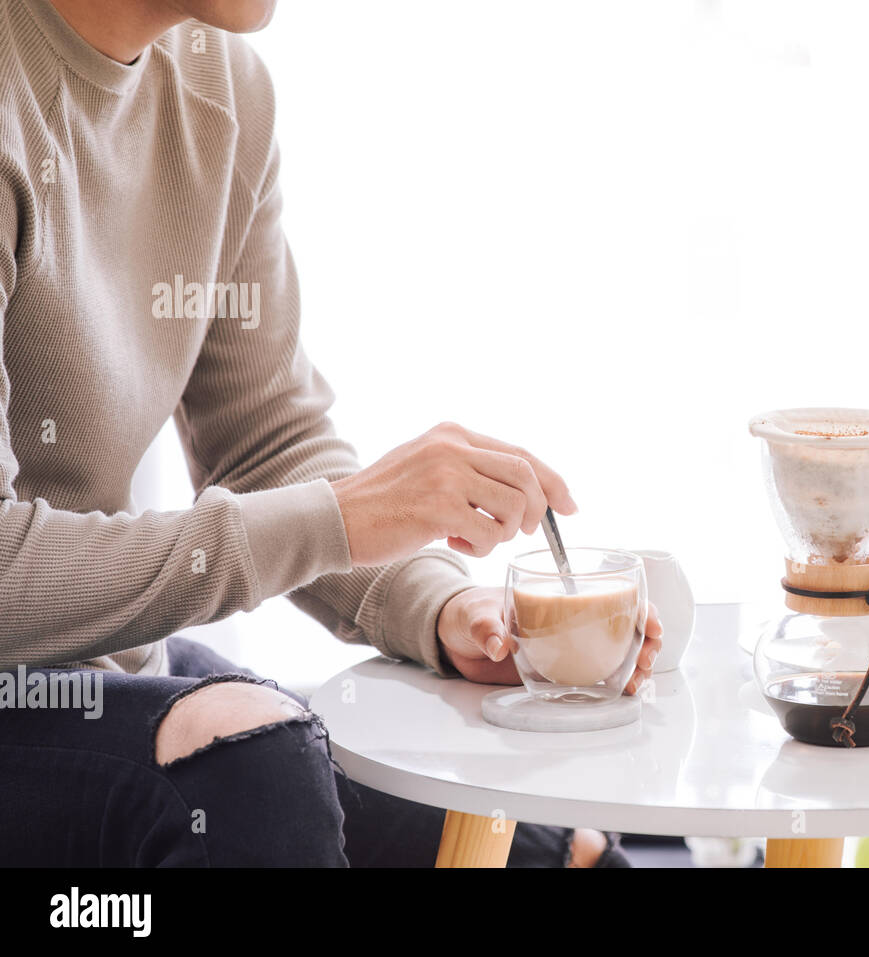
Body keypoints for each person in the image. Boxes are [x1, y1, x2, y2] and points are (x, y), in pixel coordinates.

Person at [0, 0, 662, 866]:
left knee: (557, 855)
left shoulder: (219, 90)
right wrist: (342, 515)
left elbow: (264, 441)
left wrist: (444, 605)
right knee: (252, 767)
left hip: (100, 677)